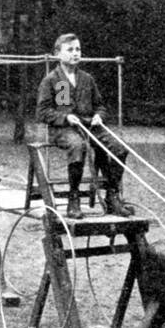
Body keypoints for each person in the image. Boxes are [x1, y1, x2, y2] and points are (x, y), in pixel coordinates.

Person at [35, 33, 132, 219]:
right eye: (70, 50)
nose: (75, 53)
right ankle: (74, 198)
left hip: (90, 127)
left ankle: (112, 196)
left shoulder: (87, 79)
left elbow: (100, 105)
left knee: (119, 148)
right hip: (63, 129)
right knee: (78, 146)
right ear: (57, 53)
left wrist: (98, 116)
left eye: (78, 49)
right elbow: (42, 112)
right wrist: (66, 118)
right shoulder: (52, 80)